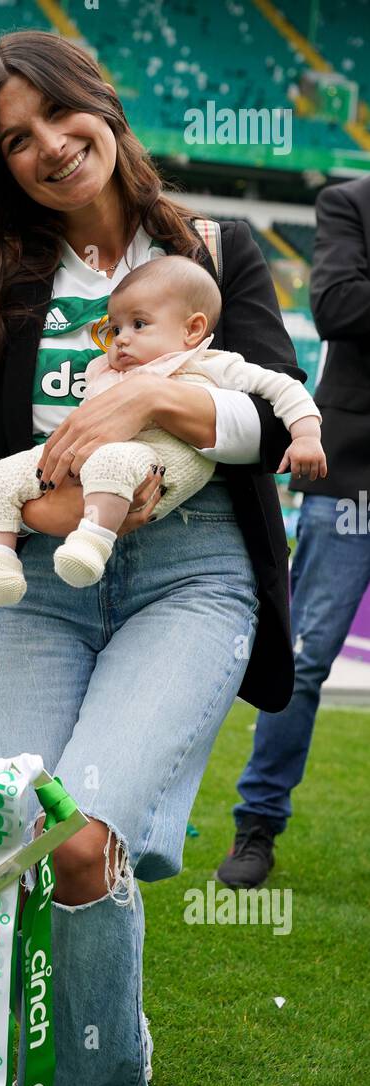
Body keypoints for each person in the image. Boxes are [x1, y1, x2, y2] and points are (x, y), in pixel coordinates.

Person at [0, 32, 300, 1086]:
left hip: (193, 577)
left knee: (85, 830)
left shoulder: (220, 251)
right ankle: (29, 1050)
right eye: (15, 139)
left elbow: (279, 430)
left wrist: (153, 392)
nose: (49, 147)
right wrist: (48, 507)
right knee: (19, 829)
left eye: (59, 115)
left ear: (103, 104)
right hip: (39, 577)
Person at [0, 256, 325, 611]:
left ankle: (92, 542)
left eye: (138, 325)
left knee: (117, 461)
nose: (121, 339)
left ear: (192, 329)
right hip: (85, 461)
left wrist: (306, 435)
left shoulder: (211, 363)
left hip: (155, 457)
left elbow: (283, 388)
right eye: (115, 329)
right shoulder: (105, 370)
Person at [216, 173, 370, 887]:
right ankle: (256, 825)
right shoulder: (349, 200)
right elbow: (337, 305)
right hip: (350, 475)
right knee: (304, 659)